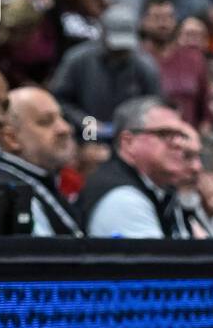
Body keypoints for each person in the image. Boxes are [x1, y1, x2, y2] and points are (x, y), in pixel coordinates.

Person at [81, 96, 191, 238]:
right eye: (165, 134)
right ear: (128, 142)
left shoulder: (163, 190)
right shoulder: (122, 200)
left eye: (180, 135)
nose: (179, 144)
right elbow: (159, 260)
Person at [50, 4, 160, 139]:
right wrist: (86, 123)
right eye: (115, 48)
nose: (120, 52)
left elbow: (155, 105)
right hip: (84, 134)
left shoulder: (145, 65)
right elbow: (59, 99)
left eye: (124, 49)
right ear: (103, 34)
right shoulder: (77, 59)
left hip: (130, 135)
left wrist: (132, 126)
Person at [0, 86, 83, 235]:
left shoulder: (45, 178)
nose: (65, 128)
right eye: (46, 121)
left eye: (62, 118)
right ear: (11, 138)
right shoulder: (7, 194)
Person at [140, 0, 211, 129]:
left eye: (168, 17)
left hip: (188, 137)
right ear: (143, 22)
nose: (163, 24)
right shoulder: (138, 59)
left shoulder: (194, 58)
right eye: (156, 18)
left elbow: (206, 114)